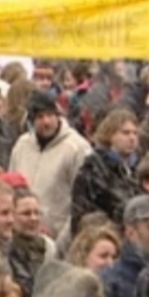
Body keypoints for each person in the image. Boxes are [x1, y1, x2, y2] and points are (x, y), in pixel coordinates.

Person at [10, 90, 92, 237]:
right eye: (40, 117)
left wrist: (63, 237)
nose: (46, 122)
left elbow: (82, 201)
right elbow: (12, 188)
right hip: (22, 234)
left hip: (60, 236)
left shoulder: (77, 148)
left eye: (50, 115)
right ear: (32, 120)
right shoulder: (22, 145)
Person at [71, 109, 141, 232]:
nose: (132, 138)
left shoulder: (137, 167)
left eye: (135, 133)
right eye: (125, 133)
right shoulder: (93, 168)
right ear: (109, 135)